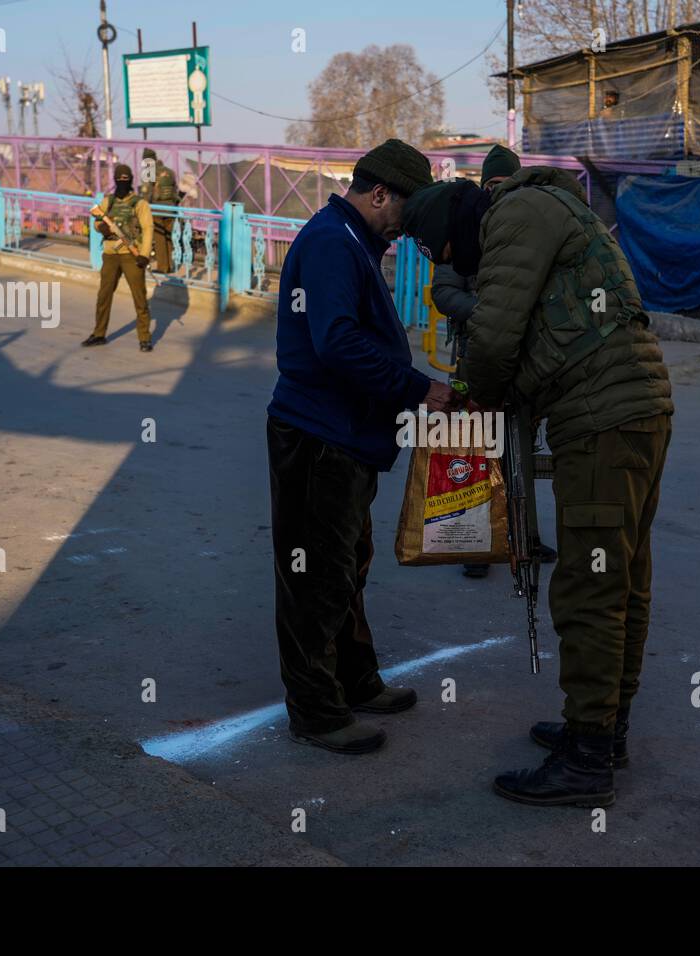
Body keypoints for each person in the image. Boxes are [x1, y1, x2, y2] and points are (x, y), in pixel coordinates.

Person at [403, 165, 673, 807]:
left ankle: (587, 760)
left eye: (441, 253)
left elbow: (495, 339)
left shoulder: (514, 218)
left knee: (589, 587)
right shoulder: (539, 209)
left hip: (603, 419)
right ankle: (604, 731)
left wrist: (468, 401)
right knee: (623, 579)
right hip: (632, 411)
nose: (450, 265)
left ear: (455, 231)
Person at [267, 139, 454, 756]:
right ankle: (317, 711)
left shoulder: (352, 242)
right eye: (406, 211)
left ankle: (354, 679)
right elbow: (338, 344)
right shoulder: (329, 243)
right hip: (320, 437)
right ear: (380, 195)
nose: (407, 228)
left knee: (346, 565)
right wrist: (417, 388)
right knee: (316, 575)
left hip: (346, 439)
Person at [430, 145, 557, 580]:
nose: (499, 195)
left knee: (519, 446)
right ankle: (476, 545)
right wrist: (492, 311)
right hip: (473, 355)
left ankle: (526, 538)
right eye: (492, 187)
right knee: (475, 450)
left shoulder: (528, 227)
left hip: (521, 358)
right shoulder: (467, 227)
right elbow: (444, 292)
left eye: (506, 186)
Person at [84, 163, 155, 352]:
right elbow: (97, 222)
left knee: (139, 298)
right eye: (119, 179)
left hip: (132, 256)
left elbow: (148, 229)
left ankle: (144, 337)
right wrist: (102, 227)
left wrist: (144, 255)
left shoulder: (140, 203)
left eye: (126, 179)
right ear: (115, 180)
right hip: (110, 254)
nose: (122, 182)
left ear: (131, 180)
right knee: (103, 296)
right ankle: (99, 334)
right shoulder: (108, 202)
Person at [138, 147, 180, 273]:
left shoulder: (149, 169)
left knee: (160, 238)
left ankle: (162, 267)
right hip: (171, 208)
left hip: (157, 208)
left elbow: (146, 192)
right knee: (168, 237)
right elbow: (175, 191)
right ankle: (169, 266)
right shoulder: (170, 172)